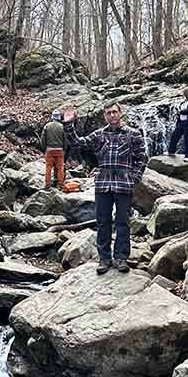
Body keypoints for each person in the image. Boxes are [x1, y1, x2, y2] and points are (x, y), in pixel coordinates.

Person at [64, 102, 148, 274]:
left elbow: (142, 158)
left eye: (114, 112)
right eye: (108, 113)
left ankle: (121, 258)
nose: (112, 115)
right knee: (103, 222)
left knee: (123, 222)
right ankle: (104, 259)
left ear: (120, 113)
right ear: (105, 116)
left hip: (124, 184)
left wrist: (134, 178)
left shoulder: (133, 135)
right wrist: (68, 124)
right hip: (103, 184)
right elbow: (78, 143)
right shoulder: (99, 135)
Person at [167, 87, 188, 161]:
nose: (185, 94)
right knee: (175, 136)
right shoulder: (185, 101)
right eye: (184, 93)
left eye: (186, 92)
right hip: (181, 122)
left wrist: (182, 112)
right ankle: (171, 151)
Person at [41, 109, 65, 189]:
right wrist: (64, 149)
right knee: (60, 168)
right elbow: (66, 140)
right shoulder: (62, 127)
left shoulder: (47, 126)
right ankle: (60, 185)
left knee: (48, 168)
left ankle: (47, 185)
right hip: (60, 150)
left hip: (49, 150)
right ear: (59, 117)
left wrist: (45, 148)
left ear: (52, 117)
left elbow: (43, 139)